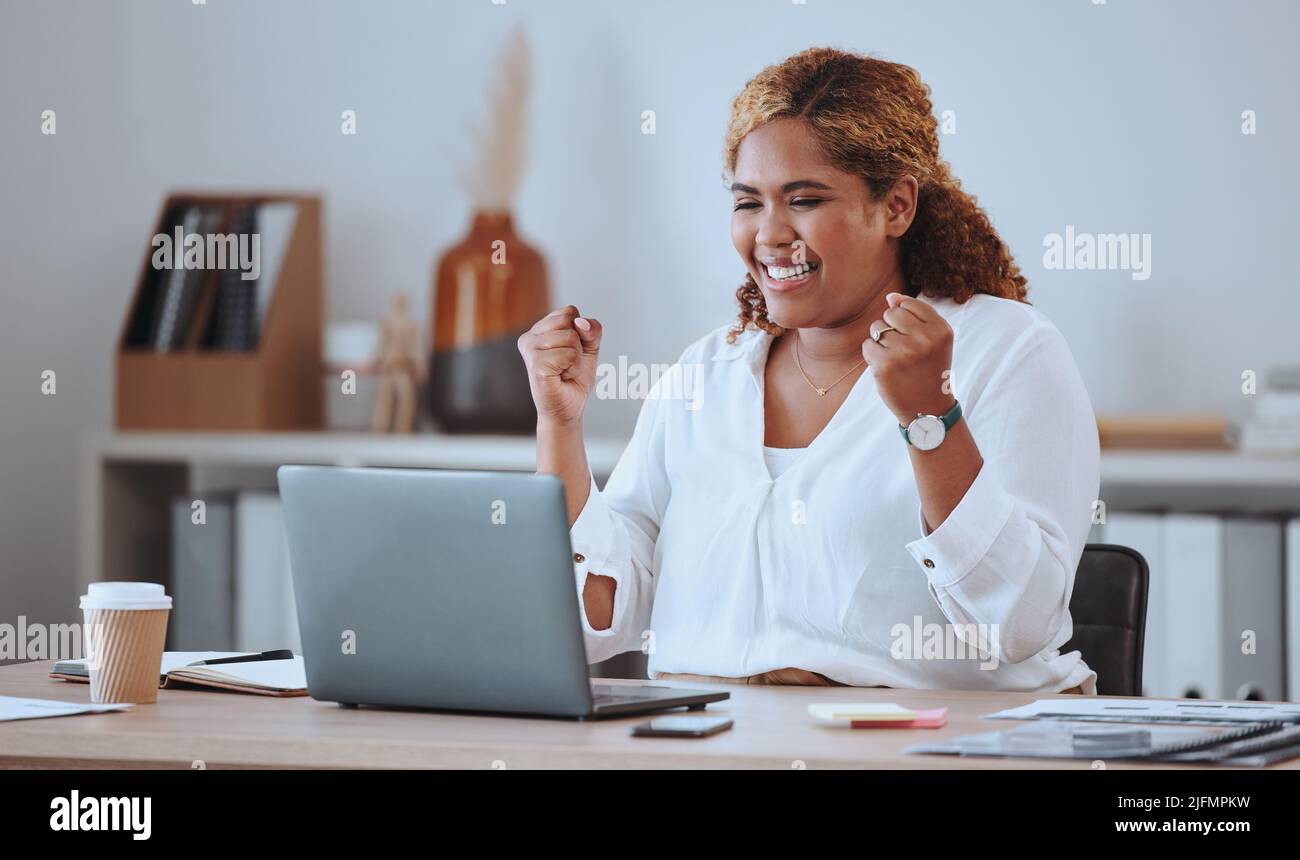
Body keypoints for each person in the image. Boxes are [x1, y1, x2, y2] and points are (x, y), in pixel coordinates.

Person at [517, 47, 1100, 693]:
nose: (770, 234)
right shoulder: (706, 373)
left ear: (897, 206)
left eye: (804, 200)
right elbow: (595, 618)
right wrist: (559, 426)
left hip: (922, 747)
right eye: (748, 203)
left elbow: (1018, 625)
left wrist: (929, 417)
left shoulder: (1005, 349)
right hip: (709, 742)